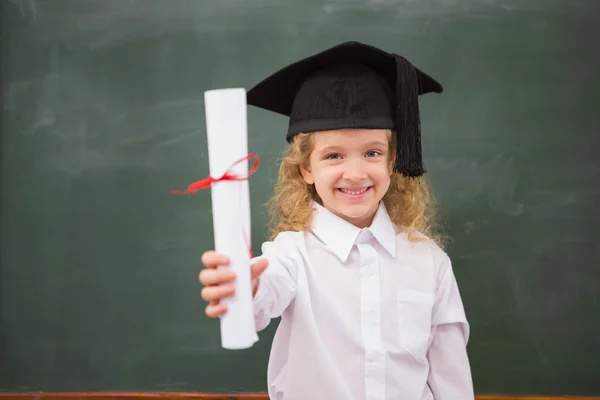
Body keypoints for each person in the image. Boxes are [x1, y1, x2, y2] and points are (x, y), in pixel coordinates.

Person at [199, 41, 474, 399]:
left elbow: (451, 380)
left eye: (372, 153)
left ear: (393, 162)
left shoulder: (429, 261)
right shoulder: (292, 256)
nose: (355, 172)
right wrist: (241, 289)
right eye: (333, 156)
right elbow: (264, 292)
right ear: (306, 169)